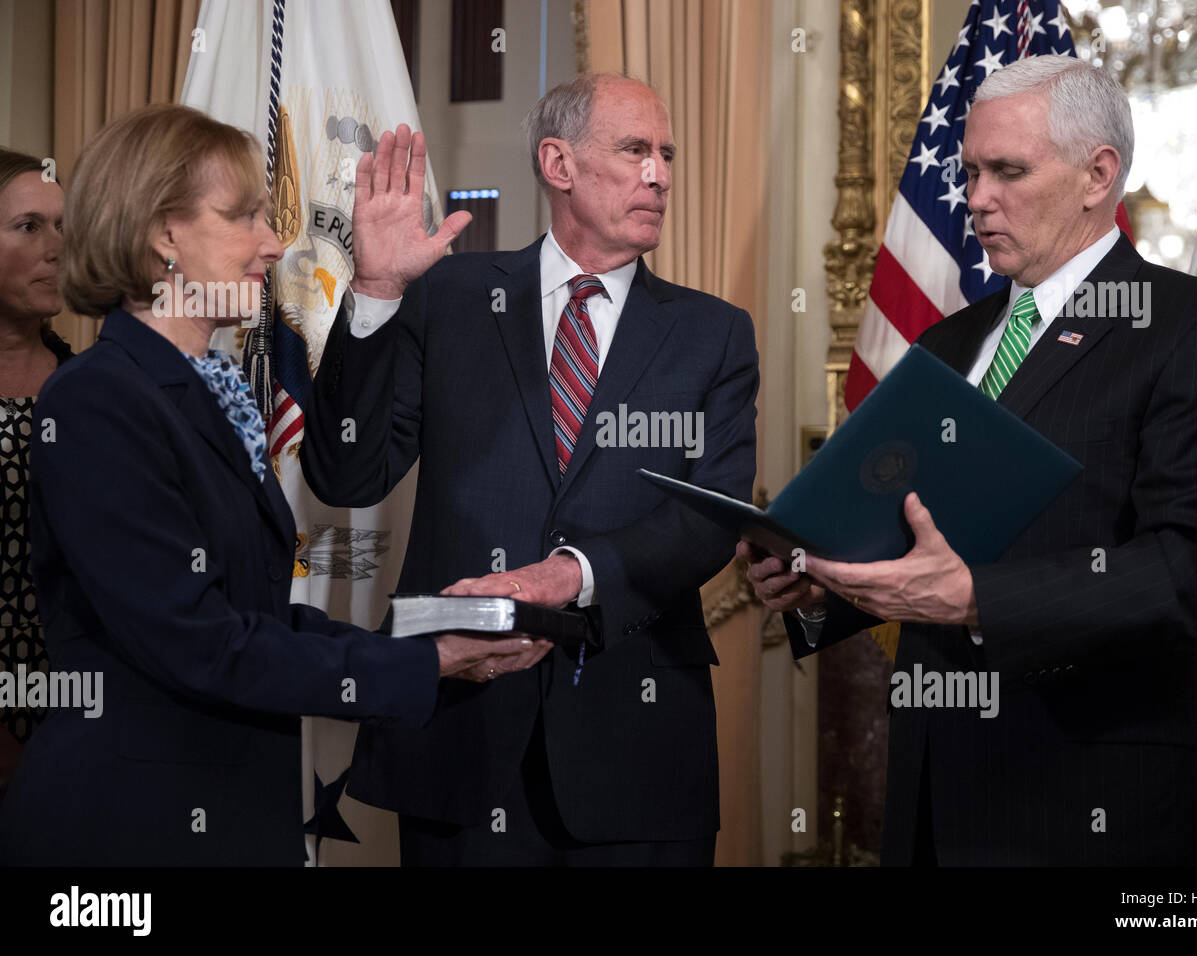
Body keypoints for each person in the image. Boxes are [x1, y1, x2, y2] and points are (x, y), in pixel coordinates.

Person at [744, 56, 1197, 865]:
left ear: (1097, 175)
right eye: (969, 172)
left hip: (1091, 800)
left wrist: (977, 599)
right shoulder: (946, 342)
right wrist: (822, 580)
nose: (977, 198)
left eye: (1008, 171)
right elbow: (915, 540)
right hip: (935, 796)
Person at [0, 104, 548, 865]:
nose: (274, 241)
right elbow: (201, 642)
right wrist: (423, 662)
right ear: (164, 234)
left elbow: (255, 615)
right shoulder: (97, 399)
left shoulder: (207, 387)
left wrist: (431, 639)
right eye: (242, 216)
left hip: (225, 806)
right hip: (131, 824)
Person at [302, 73, 759, 865]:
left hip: (637, 745)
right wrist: (374, 289)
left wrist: (568, 574)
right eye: (635, 150)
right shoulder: (444, 297)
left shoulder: (713, 334)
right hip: (461, 733)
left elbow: (711, 516)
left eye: (667, 155)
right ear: (559, 163)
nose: (661, 175)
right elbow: (345, 475)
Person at [0, 148, 73, 803]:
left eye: (63, 228)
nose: (56, 249)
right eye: (29, 227)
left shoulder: (91, 392)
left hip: (75, 712)